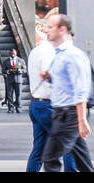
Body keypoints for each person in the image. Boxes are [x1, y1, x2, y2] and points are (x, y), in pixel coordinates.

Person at [40, 14, 94, 173]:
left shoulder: (72, 56)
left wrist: (82, 119)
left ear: (62, 29)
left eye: (50, 27)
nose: (46, 30)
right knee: (82, 159)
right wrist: (49, 77)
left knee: (50, 158)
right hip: (63, 113)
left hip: (68, 115)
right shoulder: (59, 55)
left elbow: (80, 89)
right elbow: (65, 83)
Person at [25, 26, 77, 172]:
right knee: (68, 144)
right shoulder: (49, 52)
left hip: (36, 103)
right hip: (49, 105)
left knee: (39, 148)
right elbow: (52, 77)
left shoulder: (35, 51)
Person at [2, 46, 25, 112]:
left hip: (18, 80)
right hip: (10, 80)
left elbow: (25, 69)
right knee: (9, 95)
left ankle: (18, 108)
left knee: (18, 95)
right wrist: (9, 71)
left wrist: (20, 70)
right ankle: (10, 108)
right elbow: (3, 70)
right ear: (9, 53)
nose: (12, 54)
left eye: (13, 53)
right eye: (11, 53)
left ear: (16, 53)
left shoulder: (21, 60)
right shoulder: (6, 61)